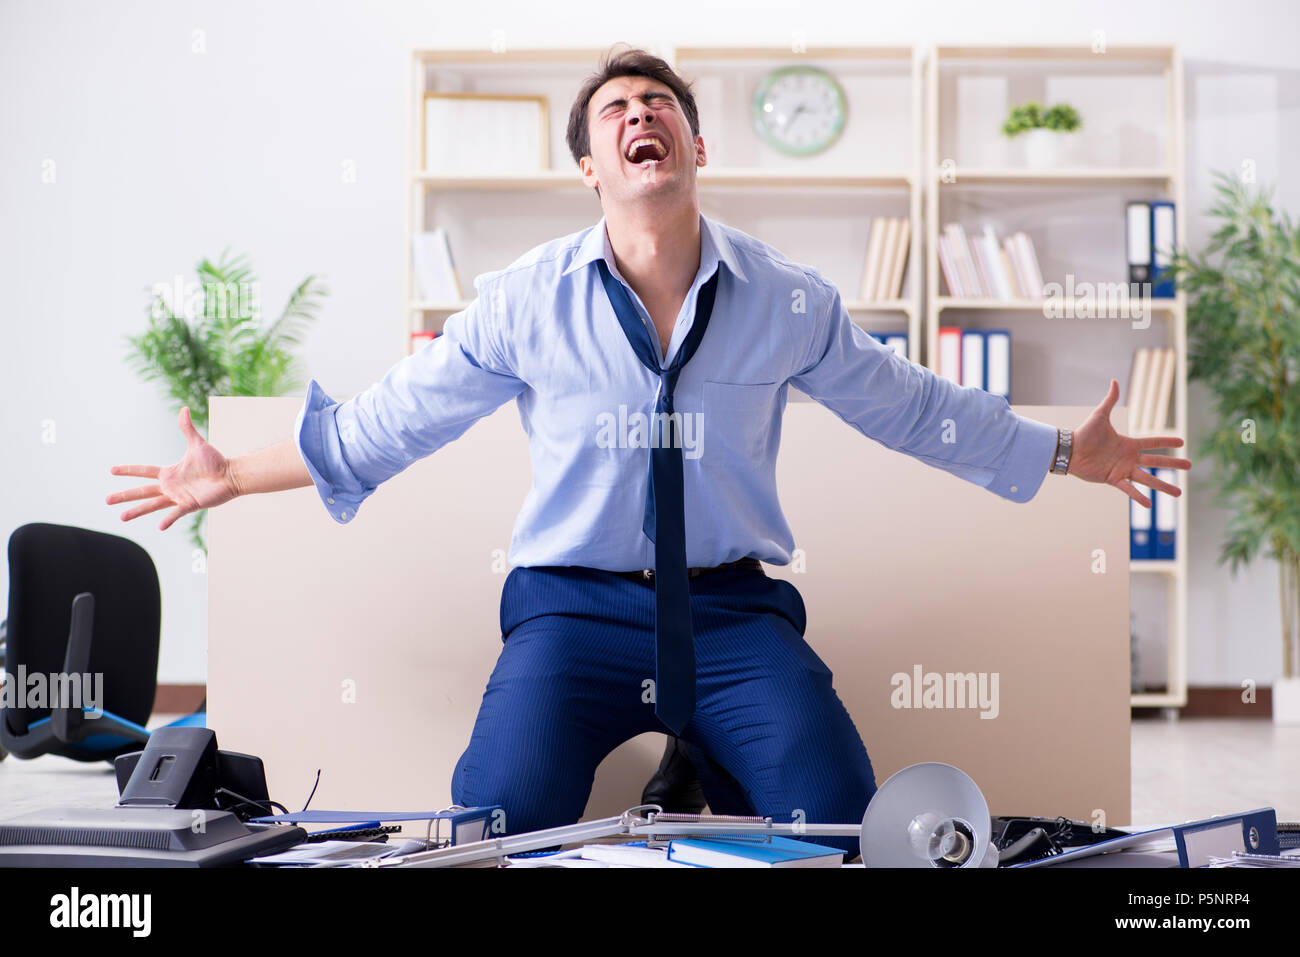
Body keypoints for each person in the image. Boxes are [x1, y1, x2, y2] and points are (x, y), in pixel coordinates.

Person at [106, 46, 1191, 861]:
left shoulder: (786, 299)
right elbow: (390, 423)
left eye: (658, 104)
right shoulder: (524, 302)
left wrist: (1063, 456)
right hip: (569, 615)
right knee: (490, 821)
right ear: (591, 164)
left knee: (836, 818)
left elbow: (905, 405)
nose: (640, 117)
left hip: (730, 616)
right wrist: (232, 476)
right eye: (618, 111)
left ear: (694, 145)